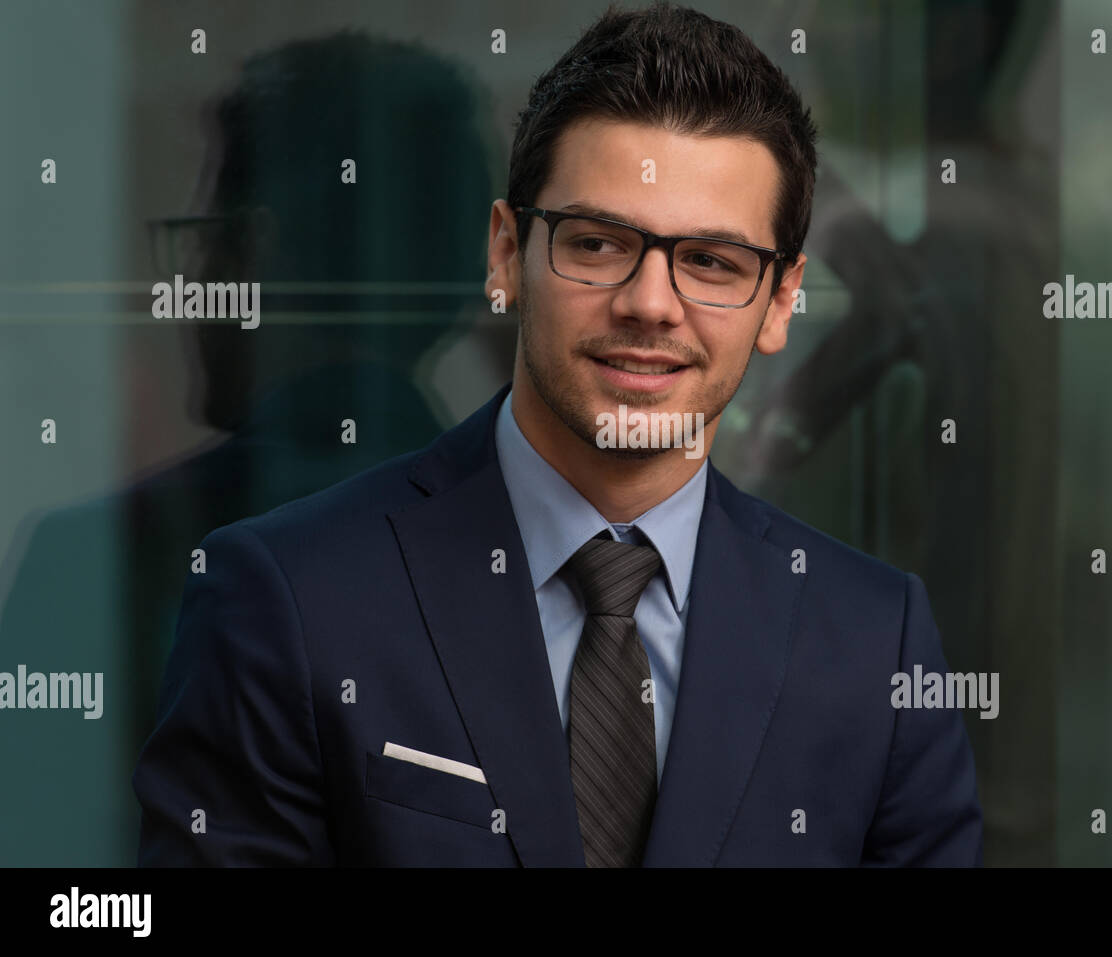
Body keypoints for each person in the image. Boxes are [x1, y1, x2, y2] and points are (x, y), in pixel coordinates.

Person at [133, 0, 982, 867]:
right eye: (599, 243)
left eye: (712, 262)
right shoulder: (286, 599)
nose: (651, 303)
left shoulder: (878, 641)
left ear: (782, 301)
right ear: (507, 253)